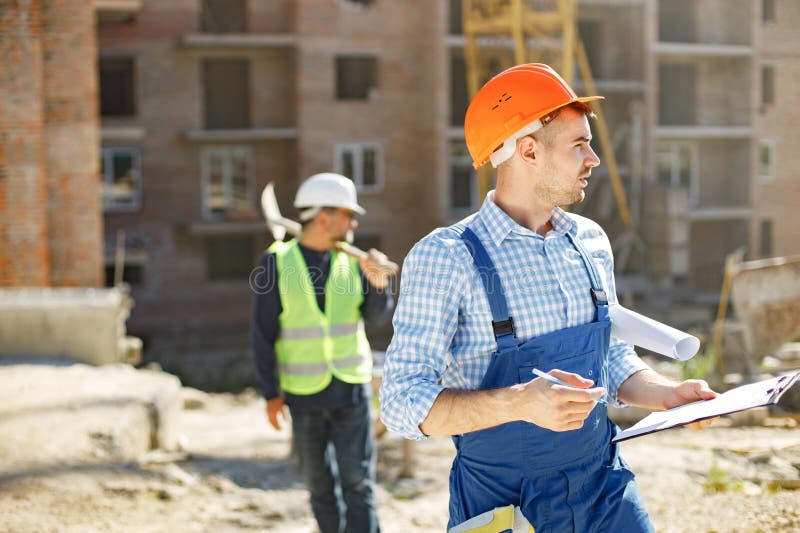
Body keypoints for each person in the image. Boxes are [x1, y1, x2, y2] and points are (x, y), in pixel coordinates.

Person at [378, 63, 718, 532]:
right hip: (505, 504)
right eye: (579, 144)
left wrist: (667, 395)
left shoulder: (590, 241)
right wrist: (518, 402)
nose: (594, 159)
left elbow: (611, 359)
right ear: (529, 150)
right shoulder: (446, 258)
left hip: (604, 486)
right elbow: (400, 402)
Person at [251, 172, 392, 533]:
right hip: (303, 394)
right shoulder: (277, 262)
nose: (354, 222)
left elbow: (376, 317)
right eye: (348, 214)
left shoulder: (354, 262)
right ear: (324, 217)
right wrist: (270, 393)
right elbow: (263, 334)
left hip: (351, 389)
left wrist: (379, 285)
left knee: (358, 483)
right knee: (319, 488)